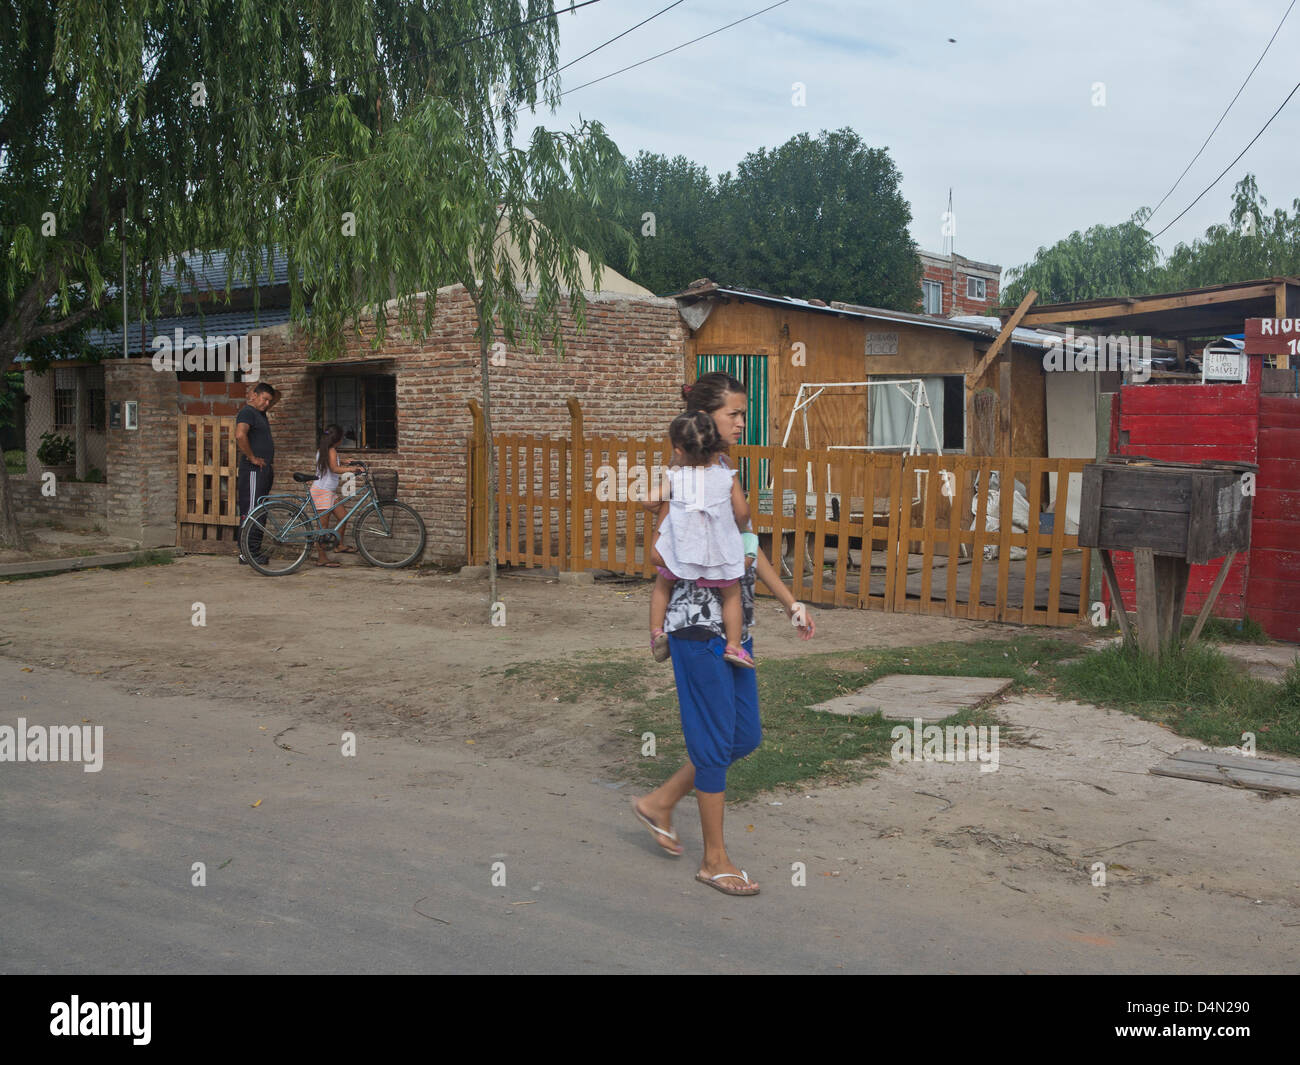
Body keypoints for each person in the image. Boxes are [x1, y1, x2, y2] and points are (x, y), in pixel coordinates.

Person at [632, 372, 816, 897]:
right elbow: (660, 554)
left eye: (742, 412)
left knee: (744, 736)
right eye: (734, 413)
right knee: (714, 741)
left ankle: (659, 801)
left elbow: (747, 544)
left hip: (736, 625)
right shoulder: (683, 476)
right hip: (694, 625)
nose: (741, 421)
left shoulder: (724, 470)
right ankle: (715, 859)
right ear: (705, 418)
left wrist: (790, 602)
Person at [648, 411, 754, 668]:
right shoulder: (726, 477)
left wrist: (673, 469)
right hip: (717, 554)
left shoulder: (677, 476)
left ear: (678, 450)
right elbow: (742, 513)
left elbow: (648, 501)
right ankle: (734, 646)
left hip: (682, 552)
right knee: (731, 593)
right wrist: (737, 530)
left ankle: (656, 632)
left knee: (663, 583)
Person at [235, 382, 280, 564]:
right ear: (254, 395)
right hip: (253, 469)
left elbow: (278, 395)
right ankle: (247, 553)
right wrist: (252, 458)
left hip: (263, 470)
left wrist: (265, 396)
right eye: (264, 399)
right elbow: (240, 435)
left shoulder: (260, 413)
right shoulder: (247, 412)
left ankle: (253, 551)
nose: (267, 404)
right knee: (252, 510)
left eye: (269, 401)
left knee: (260, 510)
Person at [310, 424, 364, 567]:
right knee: (323, 526)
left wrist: (344, 461)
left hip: (328, 492)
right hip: (323, 492)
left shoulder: (325, 449)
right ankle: (321, 558)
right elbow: (333, 468)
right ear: (337, 439)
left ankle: (338, 545)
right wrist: (352, 469)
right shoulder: (331, 451)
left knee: (343, 516)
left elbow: (331, 463)